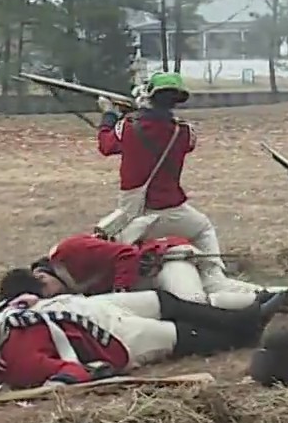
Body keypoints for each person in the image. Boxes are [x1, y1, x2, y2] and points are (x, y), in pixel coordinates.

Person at [0, 281, 278, 389]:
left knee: (165, 300)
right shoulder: (17, 362)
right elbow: (72, 374)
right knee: (189, 336)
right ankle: (250, 330)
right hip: (113, 338)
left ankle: (246, 317)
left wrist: (35, 303)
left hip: (91, 308)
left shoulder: (2, 324)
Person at [97, 71, 238, 289]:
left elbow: (106, 146)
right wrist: (139, 113)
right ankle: (214, 276)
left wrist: (109, 115)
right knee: (203, 229)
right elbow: (178, 138)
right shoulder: (183, 131)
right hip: (173, 212)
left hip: (132, 214)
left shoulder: (127, 127)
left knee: (105, 248)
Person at [26, 232, 288, 309]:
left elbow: (125, 254)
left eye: (47, 292)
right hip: (164, 268)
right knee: (221, 289)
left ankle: (266, 303)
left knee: (194, 303)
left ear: (41, 276)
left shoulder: (68, 251)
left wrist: (121, 294)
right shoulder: (64, 271)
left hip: (166, 262)